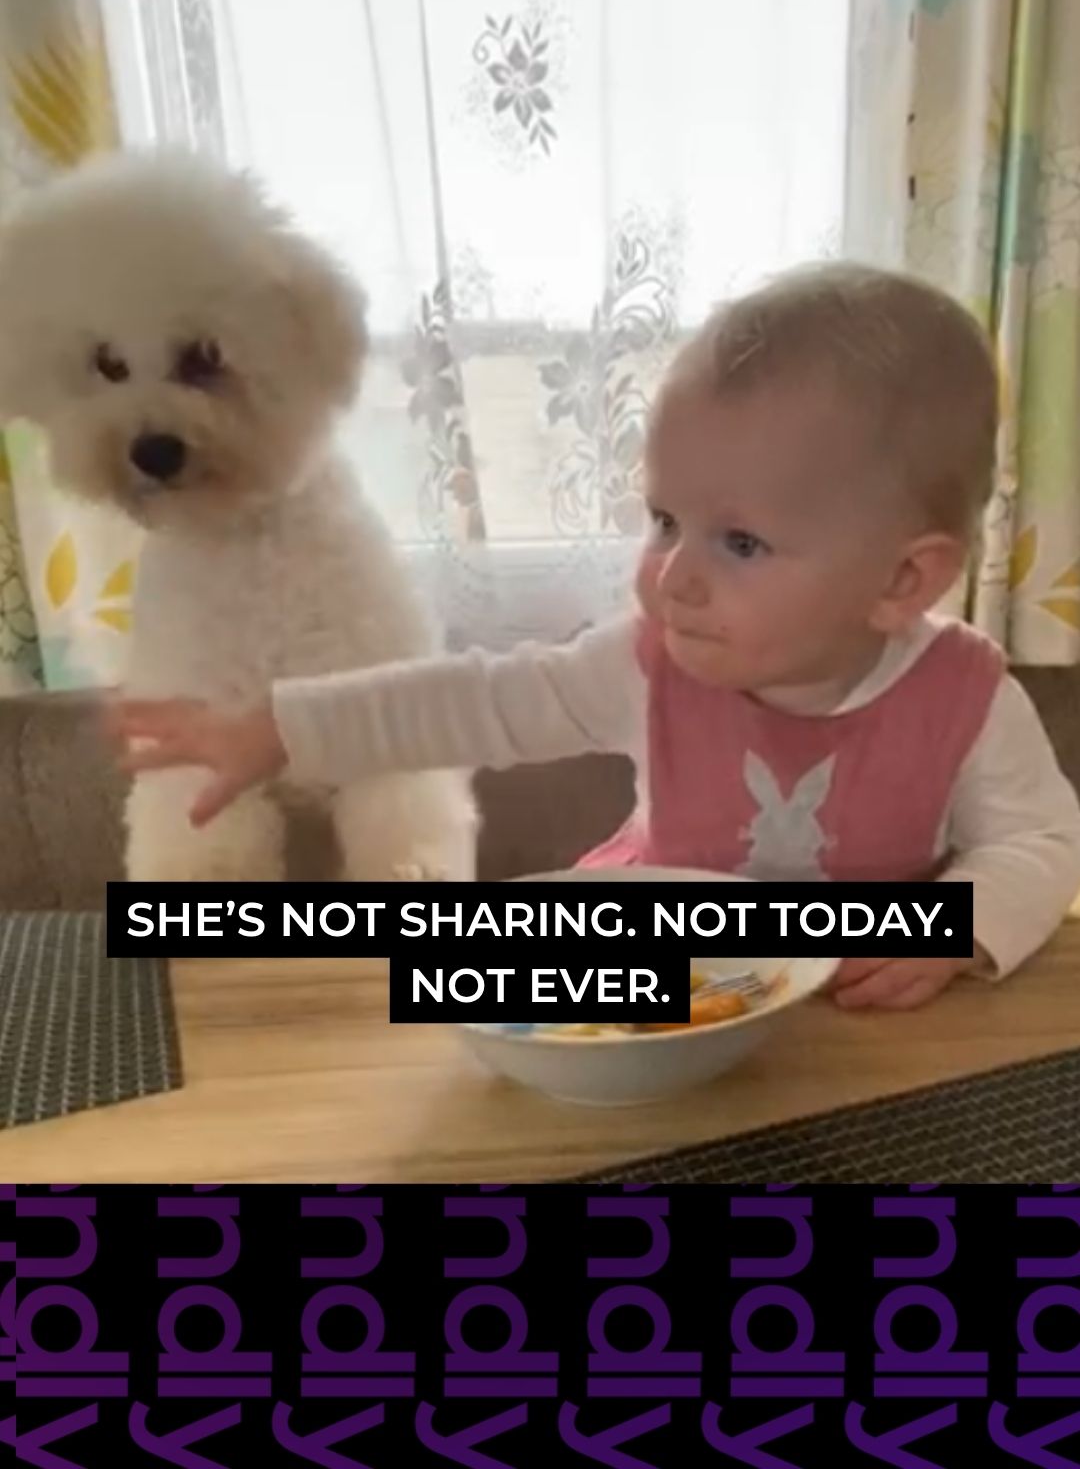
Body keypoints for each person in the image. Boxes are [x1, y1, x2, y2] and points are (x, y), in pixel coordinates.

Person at [108, 262, 1080, 1011]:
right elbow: (476, 702)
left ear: (904, 579)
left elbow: (1045, 840)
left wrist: (959, 932)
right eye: (664, 521)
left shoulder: (967, 697)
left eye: (740, 542)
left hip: (851, 1003)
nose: (672, 577)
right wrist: (284, 730)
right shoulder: (649, 660)